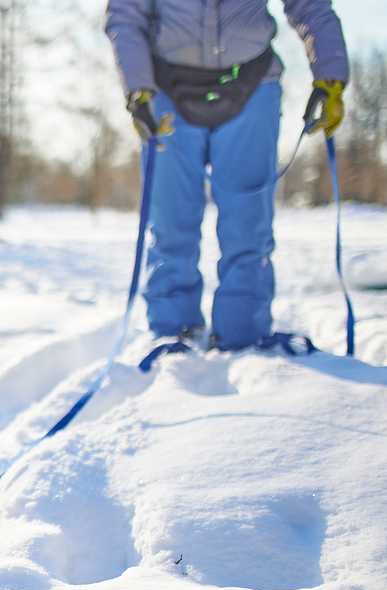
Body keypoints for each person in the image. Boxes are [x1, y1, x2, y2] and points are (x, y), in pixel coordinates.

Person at [105, 0, 348, 350]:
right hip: (165, 90)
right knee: (172, 222)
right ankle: (173, 333)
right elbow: (126, 14)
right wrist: (136, 86)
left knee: (248, 227)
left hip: (251, 85)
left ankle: (243, 336)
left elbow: (309, 5)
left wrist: (331, 73)